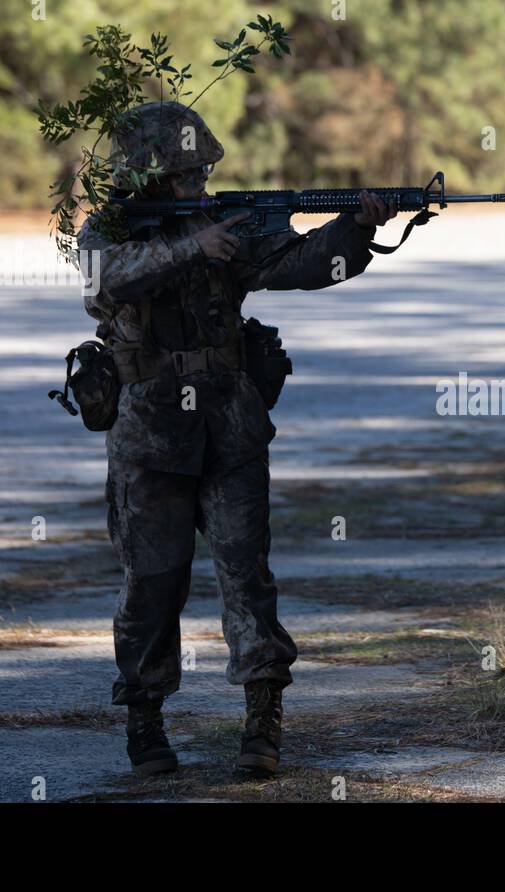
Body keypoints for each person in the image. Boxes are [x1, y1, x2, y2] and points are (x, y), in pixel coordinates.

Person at [77, 101, 396, 775]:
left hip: (229, 426)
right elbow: (105, 281)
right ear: (149, 177)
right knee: (152, 586)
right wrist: (191, 245)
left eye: (202, 171)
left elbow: (308, 264)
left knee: (245, 578)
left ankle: (262, 718)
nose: (198, 184)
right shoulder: (106, 230)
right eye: (185, 174)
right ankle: (145, 719)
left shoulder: (228, 223)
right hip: (149, 434)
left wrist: (354, 229)